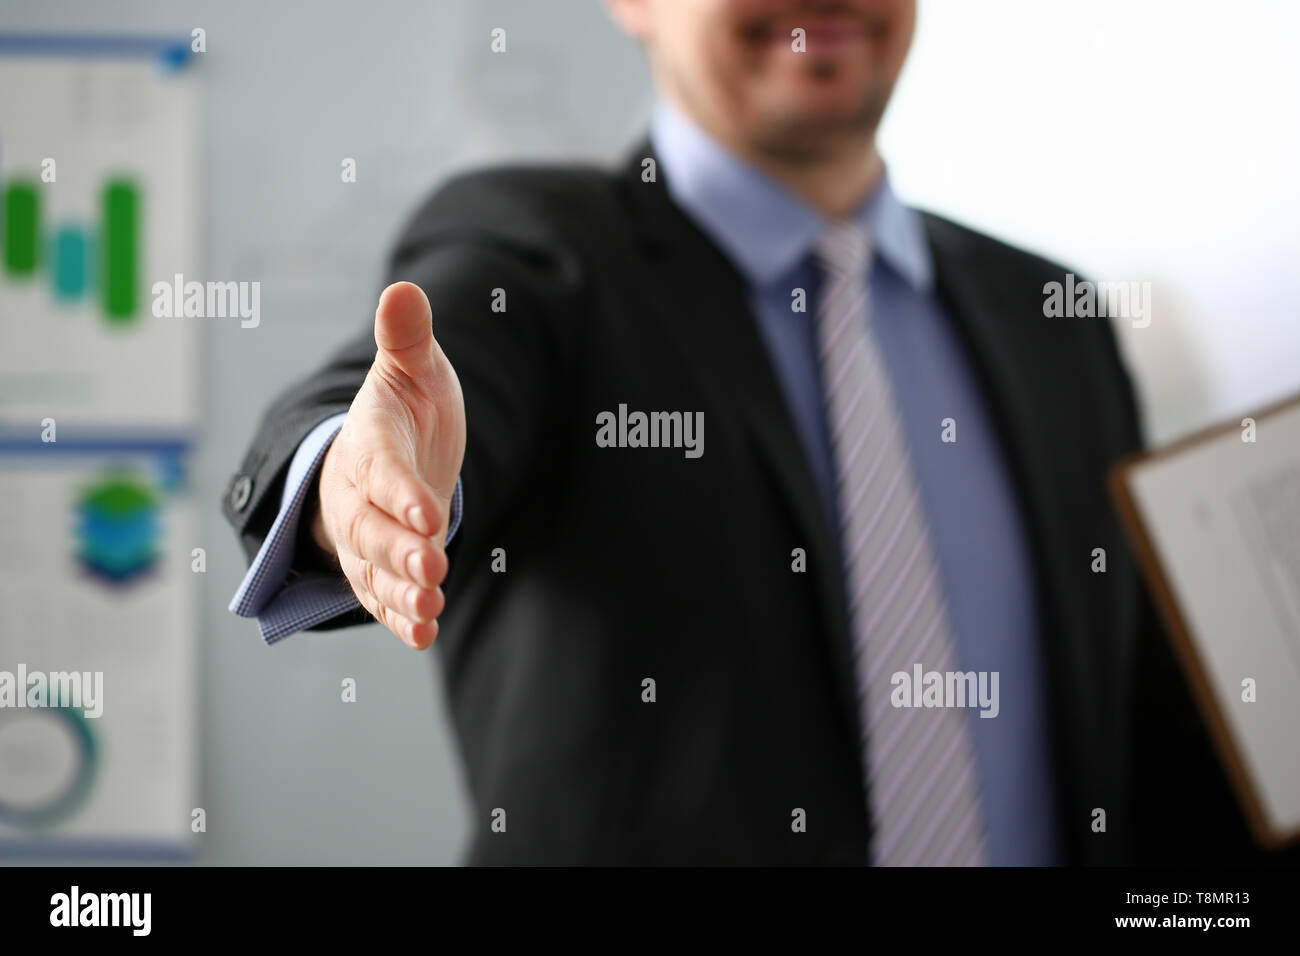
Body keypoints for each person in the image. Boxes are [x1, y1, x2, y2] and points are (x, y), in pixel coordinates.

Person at [223, 0, 1277, 865]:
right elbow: (387, 403)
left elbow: (1143, 735)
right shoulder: (544, 252)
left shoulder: (1054, 317)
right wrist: (347, 483)